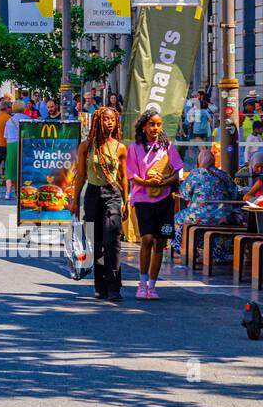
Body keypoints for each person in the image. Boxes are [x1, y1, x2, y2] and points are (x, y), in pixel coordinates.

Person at [126, 108, 184, 300]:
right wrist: (147, 182)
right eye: (151, 124)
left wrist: (165, 182)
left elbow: (178, 171)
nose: (155, 128)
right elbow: (131, 176)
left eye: (158, 124)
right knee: (148, 239)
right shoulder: (134, 148)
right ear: (143, 126)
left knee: (160, 242)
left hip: (164, 199)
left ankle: (152, 285)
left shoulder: (168, 147)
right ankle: (141, 284)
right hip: (142, 198)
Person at [71, 106, 128, 302]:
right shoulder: (86, 146)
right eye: (105, 119)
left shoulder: (120, 147)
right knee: (95, 242)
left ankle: (114, 287)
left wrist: (125, 202)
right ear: (97, 121)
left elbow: (123, 177)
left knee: (112, 239)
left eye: (112, 119)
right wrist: (74, 200)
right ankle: (100, 286)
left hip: (112, 194)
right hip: (92, 194)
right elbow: (81, 175)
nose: (109, 122)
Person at [171, 147, 243, 262]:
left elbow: (184, 194)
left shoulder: (195, 174)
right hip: (223, 216)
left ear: (199, 161)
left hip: (199, 216)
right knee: (216, 224)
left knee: (177, 219)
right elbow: (234, 193)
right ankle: (218, 253)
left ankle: (185, 249)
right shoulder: (223, 174)